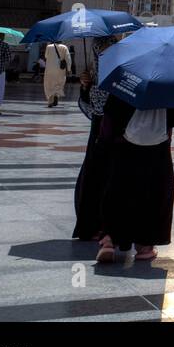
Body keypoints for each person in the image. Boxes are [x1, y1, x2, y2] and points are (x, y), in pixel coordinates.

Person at [95, 94, 174, 264]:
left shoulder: (129, 76)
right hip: (158, 146)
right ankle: (145, 246)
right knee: (154, 194)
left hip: (125, 142)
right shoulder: (172, 83)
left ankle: (110, 239)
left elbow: (111, 110)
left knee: (119, 190)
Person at [73, 70, 113, 241]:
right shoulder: (97, 71)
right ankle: (96, 226)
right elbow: (90, 105)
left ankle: (107, 227)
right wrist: (86, 85)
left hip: (113, 126)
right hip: (102, 127)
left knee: (106, 177)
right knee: (95, 177)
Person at [42, 40, 71, 108]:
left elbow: (46, 56)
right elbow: (68, 59)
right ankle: (56, 95)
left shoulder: (49, 46)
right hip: (60, 69)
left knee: (49, 84)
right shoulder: (64, 47)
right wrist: (69, 69)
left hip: (49, 69)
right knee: (59, 83)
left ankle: (50, 101)